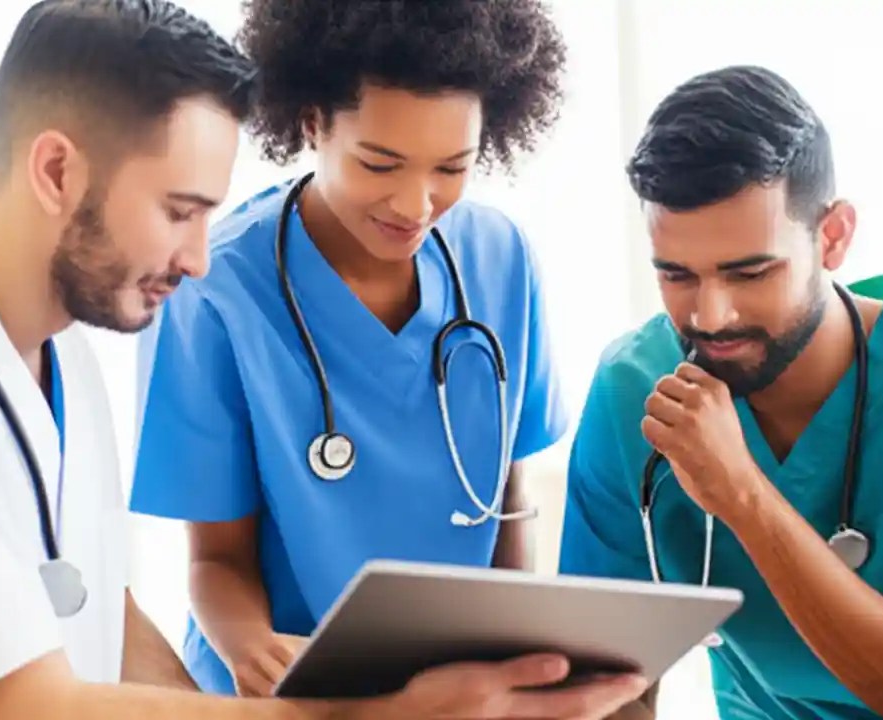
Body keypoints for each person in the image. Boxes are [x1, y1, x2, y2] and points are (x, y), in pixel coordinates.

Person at [0, 2, 649, 719]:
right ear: (56, 169)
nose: (203, 259)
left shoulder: (51, 348)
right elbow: (25, 705)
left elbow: (97, 613)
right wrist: (359, 714)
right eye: (179, 211)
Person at [558, 64, 883, 719]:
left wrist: (742, 495)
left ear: (832, 237)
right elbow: (605, 685)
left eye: (749, 273)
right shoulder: (634, 386)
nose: (710, 315)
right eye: (677, 275)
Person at [129, 0, 571, 698]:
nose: (416, 205)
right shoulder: (214, 292)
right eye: (380, 163)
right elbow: (215, 559)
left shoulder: (501, 260)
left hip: (454, 691)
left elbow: (509, 503)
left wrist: (516, 675)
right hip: (287, 690)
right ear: (312, 122)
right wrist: (256, 655)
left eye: (451, 168)